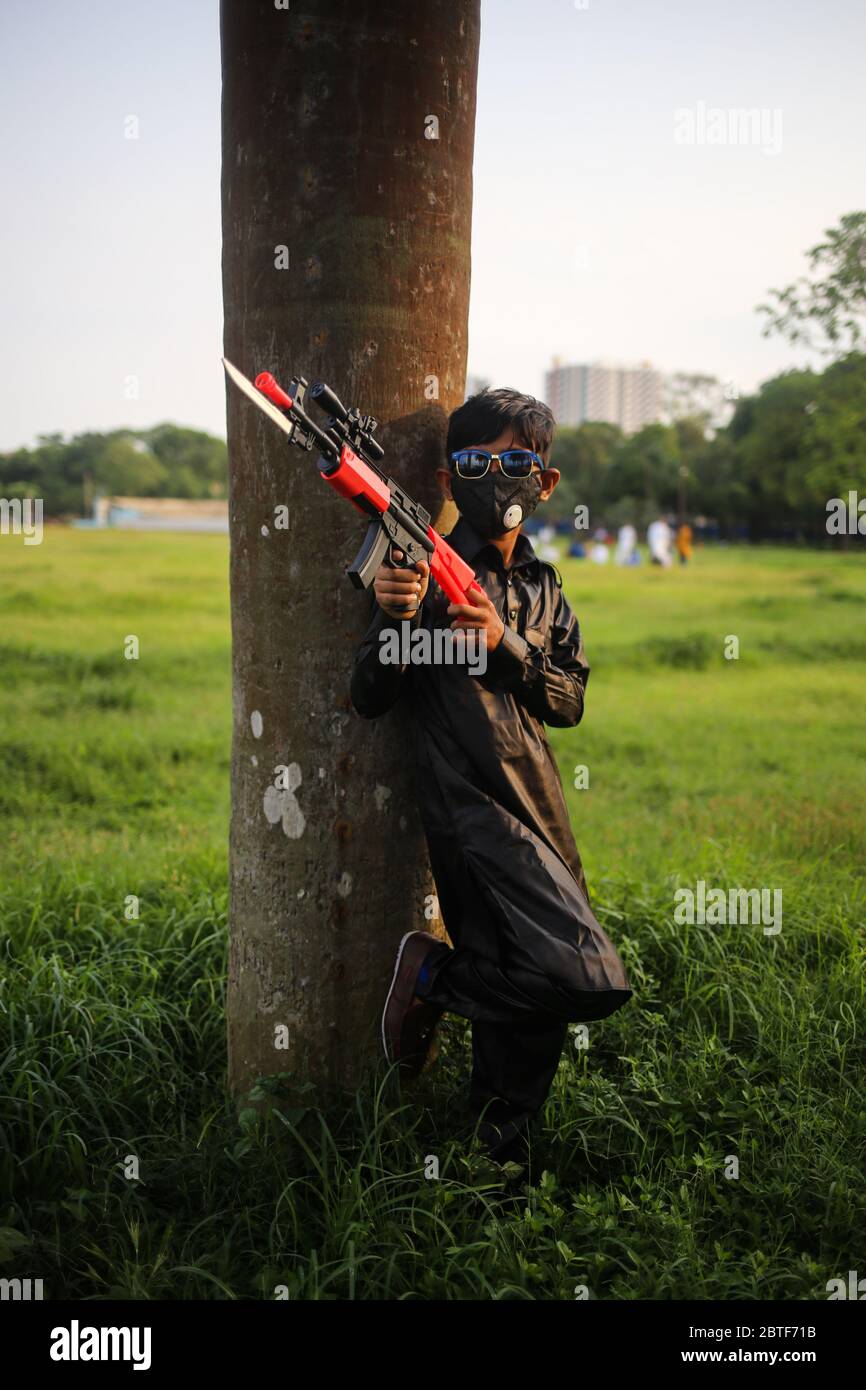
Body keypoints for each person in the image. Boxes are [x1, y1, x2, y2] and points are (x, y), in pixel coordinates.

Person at [350, 388, 632, 1166]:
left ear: (546, 482)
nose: (495, 477)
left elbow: (569, 700)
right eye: (475, 462)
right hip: (471, 809)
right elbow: (368, 694)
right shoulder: (425, 571)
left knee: (532, 989)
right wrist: (398, 617)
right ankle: (433, 974)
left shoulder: (544, 589)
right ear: (449, 478)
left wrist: (506, 642)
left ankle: (495, 1162)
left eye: (515, 462)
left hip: (540, 799)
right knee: (588, 978)